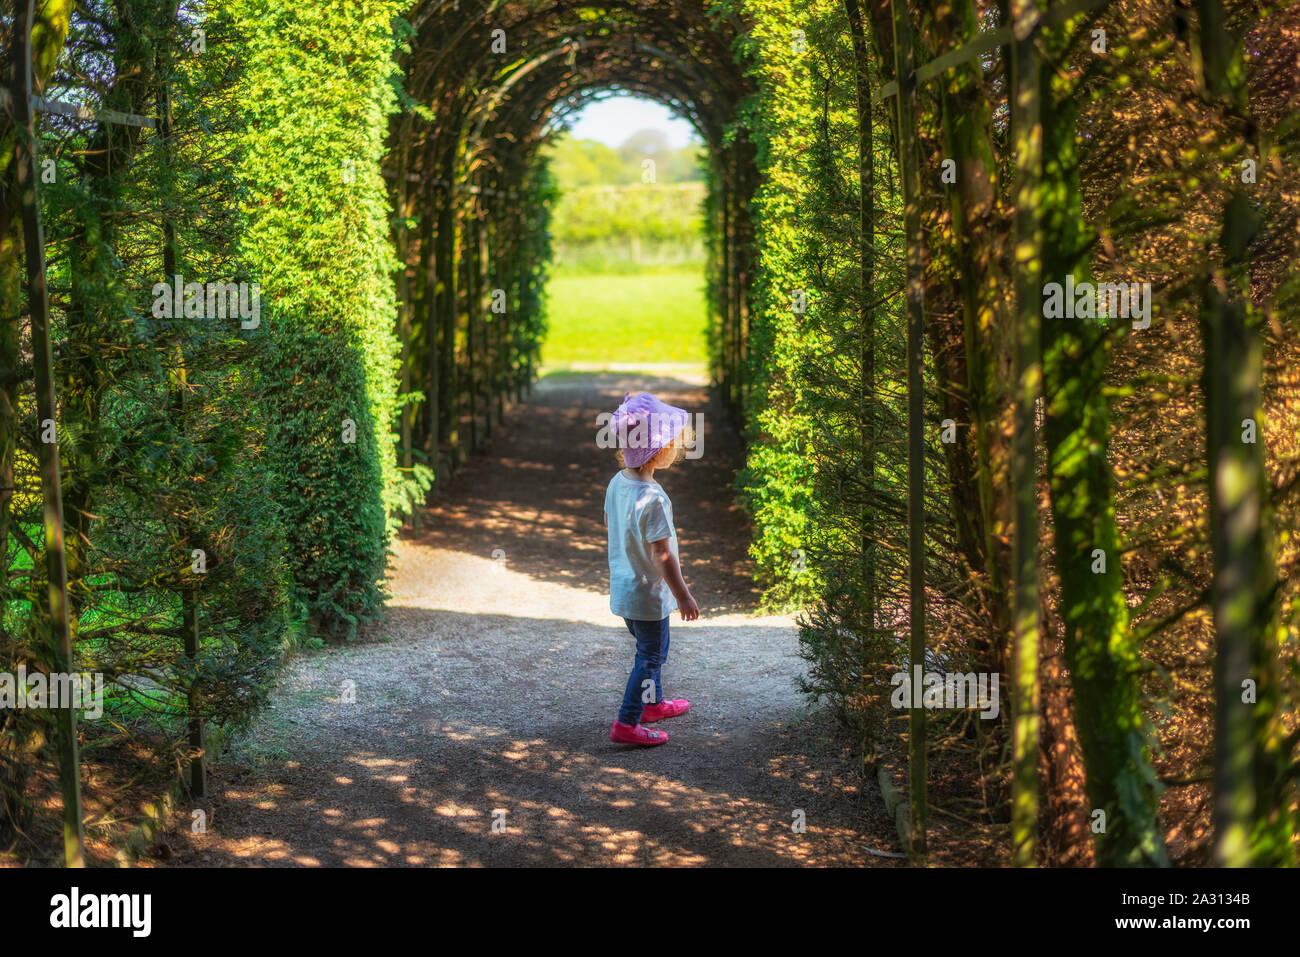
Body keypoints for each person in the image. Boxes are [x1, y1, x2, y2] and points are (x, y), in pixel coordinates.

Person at [602, 392, 699, 747]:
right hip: (648, 595)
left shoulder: (618, 483)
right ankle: (628, 722)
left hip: (627, 589)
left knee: (650, 650)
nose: (676, 448)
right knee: (651, 655)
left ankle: (653, 704)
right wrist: (683, 596)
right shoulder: (654, 498)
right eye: (672, 442)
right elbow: (663, 556)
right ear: (658, 450)